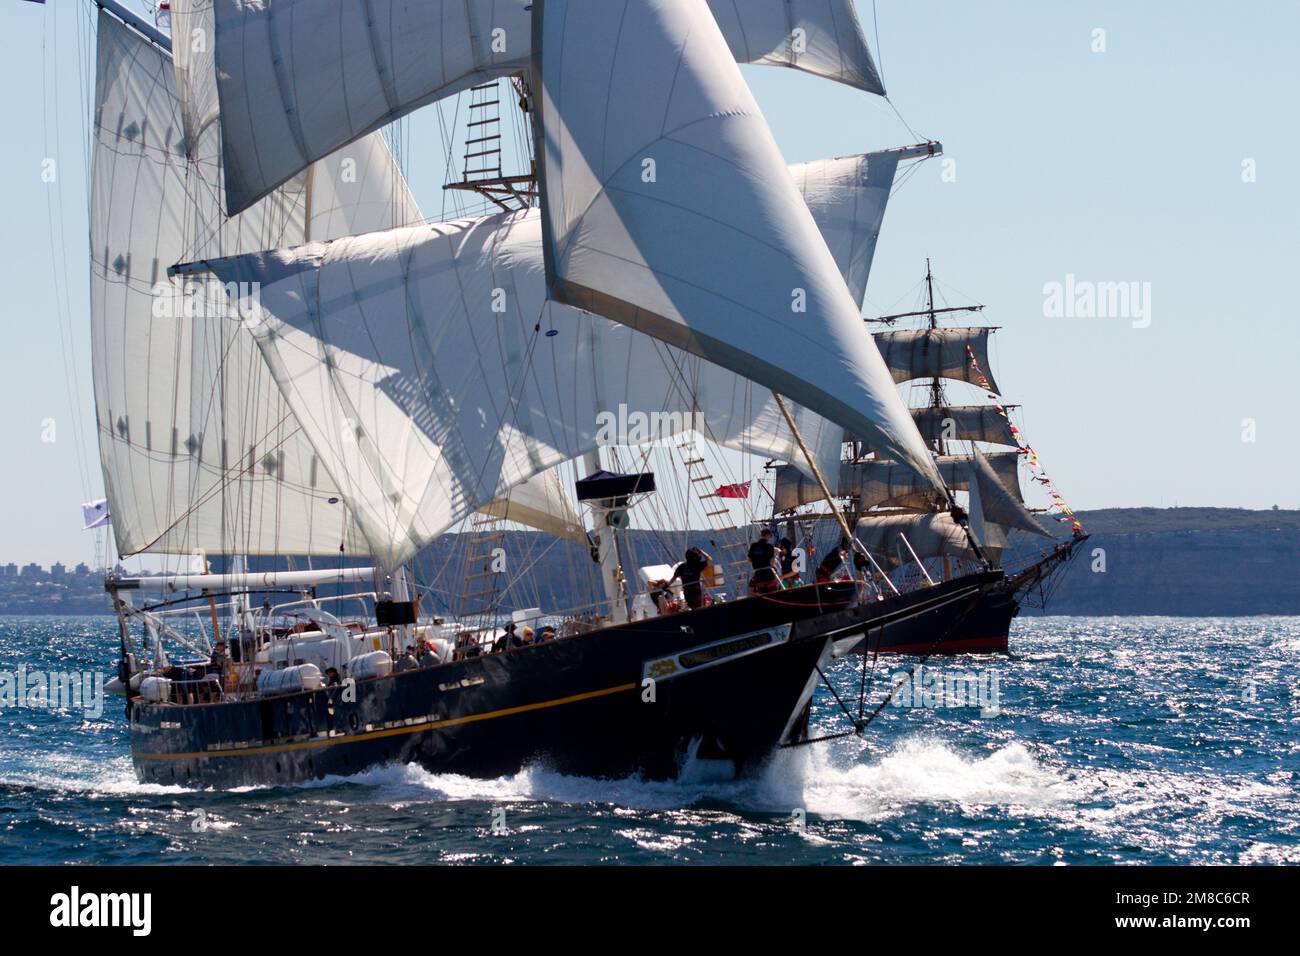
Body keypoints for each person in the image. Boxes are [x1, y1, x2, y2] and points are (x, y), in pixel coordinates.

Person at [747, 528, 780, 595]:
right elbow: (772, 562)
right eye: (770, 536)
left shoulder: (753, 546)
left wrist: (758, 561)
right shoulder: (769, 546)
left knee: (762, 593)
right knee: (774, 593)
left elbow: (749, 560)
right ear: (767, 535)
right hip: (768, 574)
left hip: (758, 575)